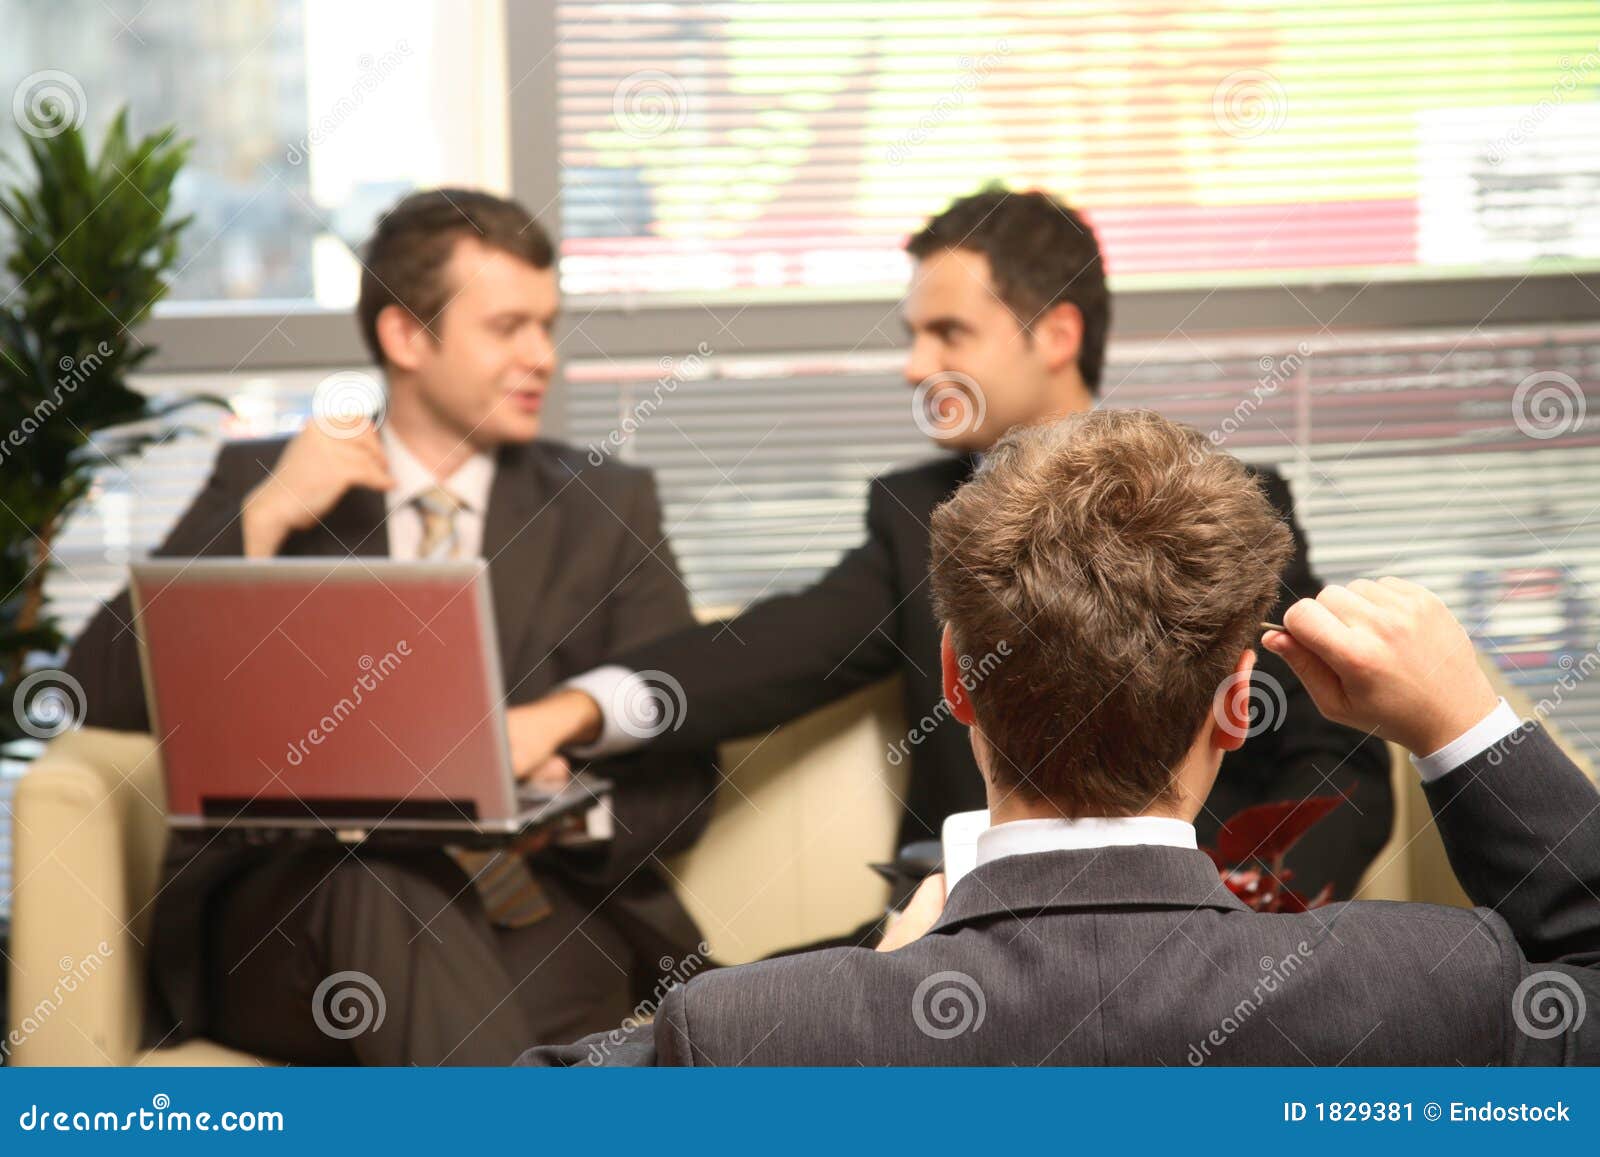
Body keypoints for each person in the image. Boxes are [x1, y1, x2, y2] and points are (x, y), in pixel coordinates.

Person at [521, 409, 1600, 1066]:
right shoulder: (1427, 994)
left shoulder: (753, 1035)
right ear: (1239, 702)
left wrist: (873, 988)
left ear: (960, 681)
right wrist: (1467, 722)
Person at [505, 187, 1392, 904]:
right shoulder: (915, 516)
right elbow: (768, 650)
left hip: (1184, 934)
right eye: (913, 336)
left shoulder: (1225, 509)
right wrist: (572, 711)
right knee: (711, 1030)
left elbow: (1339, 764)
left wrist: (1254, 914)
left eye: (948, 333)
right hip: (949, 942)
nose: (914, 365)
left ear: (1057, 334)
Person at [64, 189, 718, 1065]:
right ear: (407, 335)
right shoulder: (263, 483)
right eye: (508, 327)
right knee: (378, 884)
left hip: (534, 907)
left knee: (474, 971)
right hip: (295, 918)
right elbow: (91, 692)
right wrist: (263, 520)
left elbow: (686, 765)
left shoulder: (605, 507)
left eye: (547, 325)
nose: (543, 357)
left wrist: (569, 818)